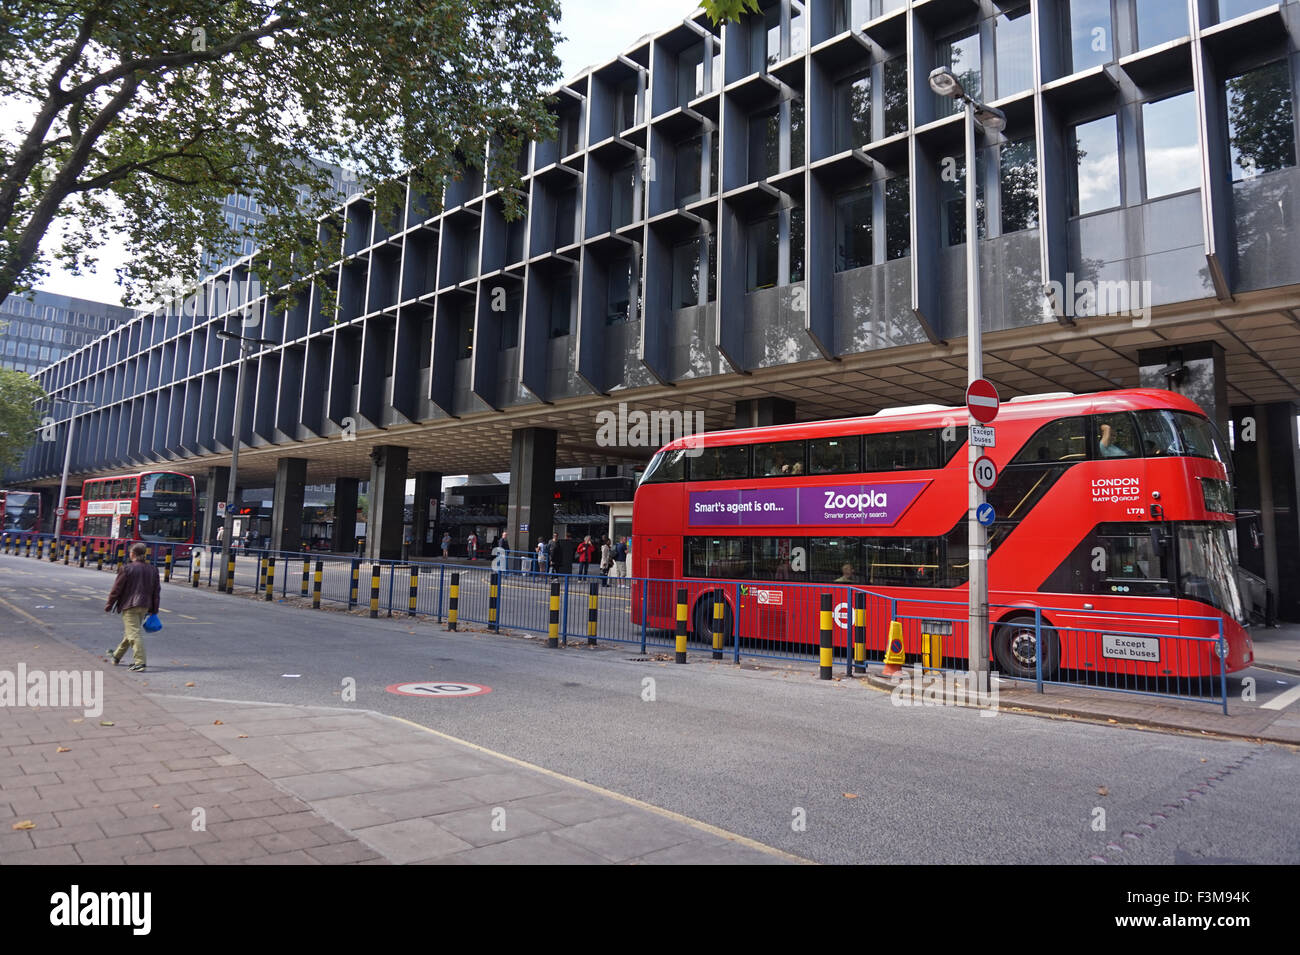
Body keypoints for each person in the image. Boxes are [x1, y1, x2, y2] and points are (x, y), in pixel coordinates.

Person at [105, 542, 160, 672]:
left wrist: (109, 604)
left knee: (133, 633)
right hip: (145, 605)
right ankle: (117, 655)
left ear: (133, 554)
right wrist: (154, 609)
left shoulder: (127, 568)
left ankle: (140, 662)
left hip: (130, 605)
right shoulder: (153, 569)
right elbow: (156, 591)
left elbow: (116, 589)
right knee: (131, 632)